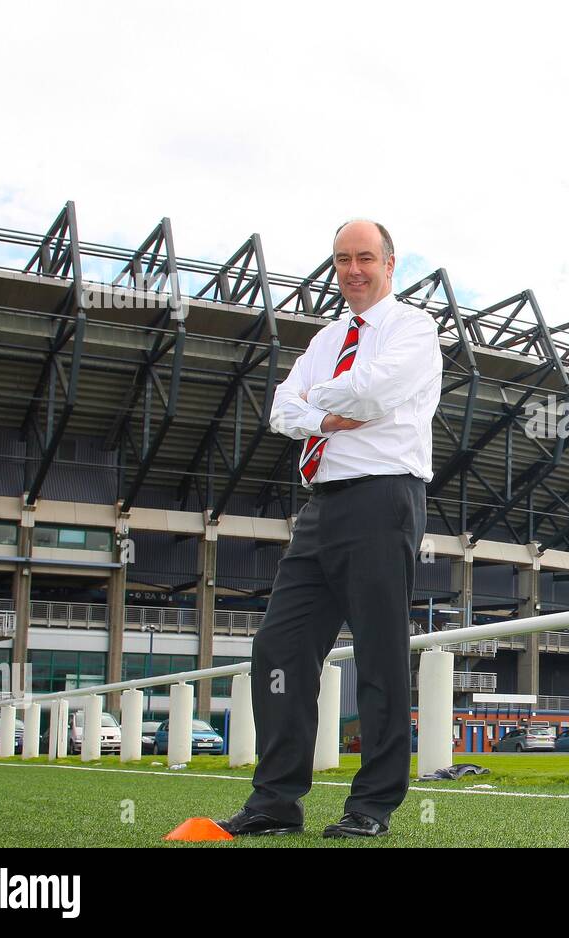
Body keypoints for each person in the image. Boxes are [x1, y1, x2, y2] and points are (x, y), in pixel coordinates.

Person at [216, 219, 441, 838]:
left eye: (365, 258)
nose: (353, 270)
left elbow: (373, 394)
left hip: (383, 497)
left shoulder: (413, 328)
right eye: (342, 259)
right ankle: (275, 802)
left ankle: (372, 804)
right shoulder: (328, 337)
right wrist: (324, 407)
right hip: (321, 507)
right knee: (280, 649)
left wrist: (319, 402)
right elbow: (280, 410)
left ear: (390, 264)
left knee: (379, 651)